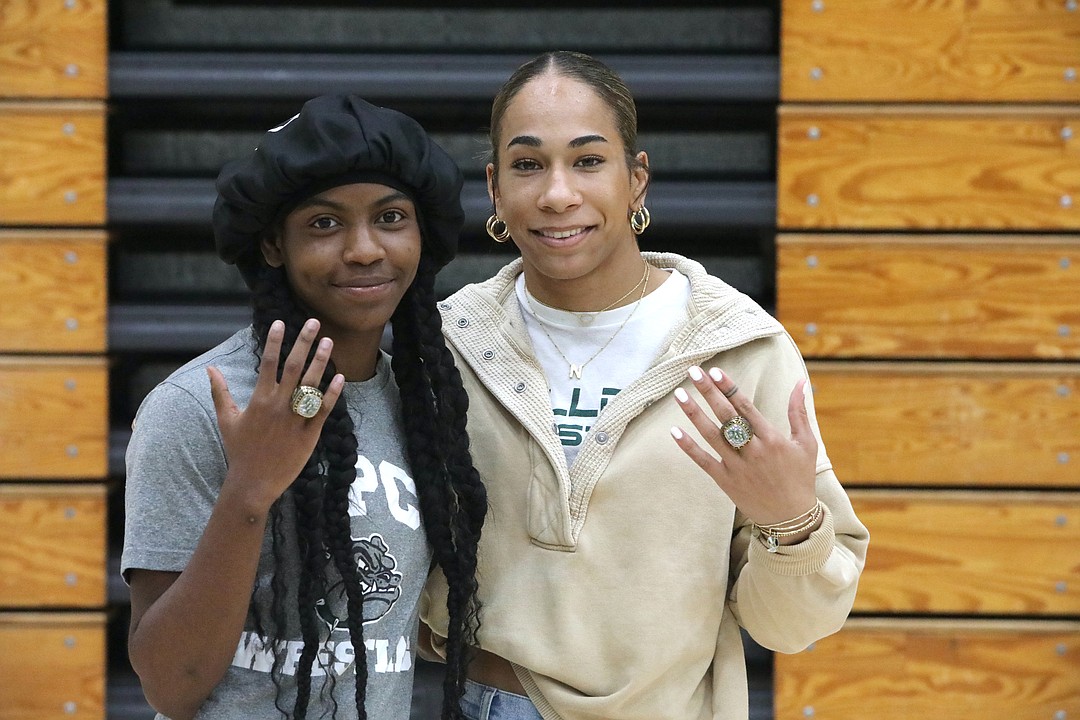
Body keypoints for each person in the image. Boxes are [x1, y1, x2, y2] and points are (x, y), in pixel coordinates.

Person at [419, 51, 869, 720]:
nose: (557, 194)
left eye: (589, 160)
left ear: (638, 179)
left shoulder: (740, 351)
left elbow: (792, 627)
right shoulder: (446, 344)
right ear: (494, 186)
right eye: (528, 163)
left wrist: (791, 521)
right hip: (489, 702)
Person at [121, 94, 486, 720]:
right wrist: (250, 490)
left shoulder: (427, 413)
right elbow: (170, 684)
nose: (365, 249)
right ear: (271, 246)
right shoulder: (197, 406)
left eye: (391, 217)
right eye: (324, 224)